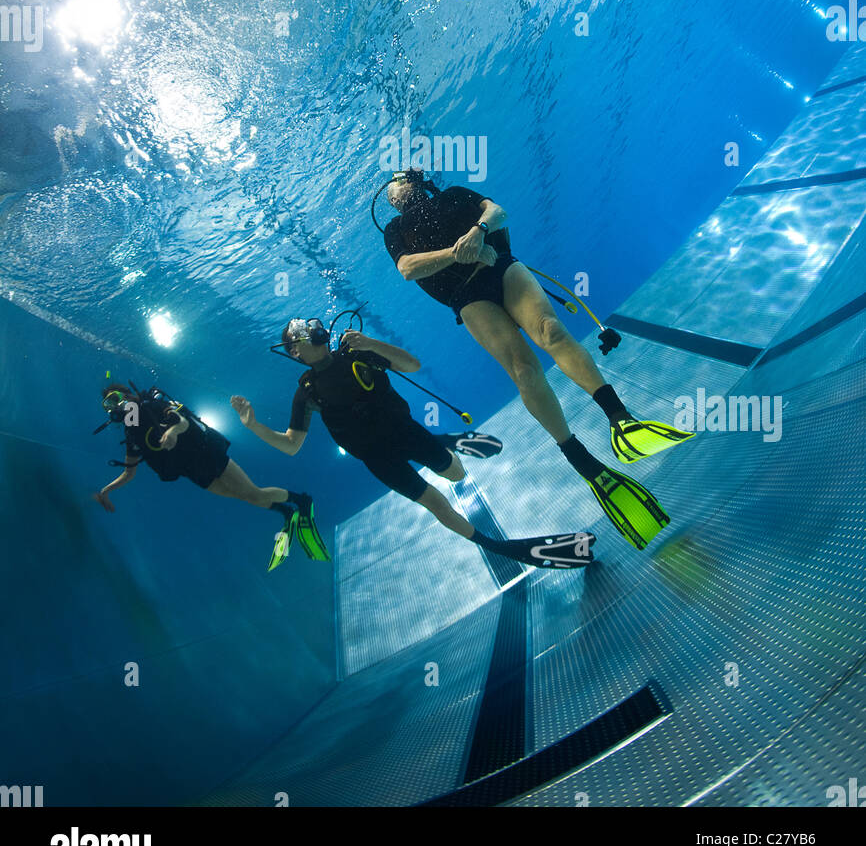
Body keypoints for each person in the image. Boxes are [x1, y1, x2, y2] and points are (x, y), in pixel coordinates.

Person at [376, 170, 686, 551]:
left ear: (418, 181)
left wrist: (477, 231)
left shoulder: (453, 194)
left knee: (550, 331)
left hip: (501, 267)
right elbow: (408, 268)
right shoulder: (394, 229)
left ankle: (619, 416)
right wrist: (457, 251)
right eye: (393, 183)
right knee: (523, 370)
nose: (399, 183)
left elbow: (498, 212)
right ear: (391, 199)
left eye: (402, 177)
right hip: (465, 295)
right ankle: (580, 458)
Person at [230, 319, 595, 570]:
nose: (312, 332)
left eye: (311, 327)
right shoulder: (306, 391)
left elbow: (413, 365)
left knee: (455, 474)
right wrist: (254, 425)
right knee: (437, 503)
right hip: (376, 458)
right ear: (294, 351)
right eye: (302, 335)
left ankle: (445, 441)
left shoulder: (355, 352)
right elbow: (292, 445)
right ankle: (493, 545)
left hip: (406, 431)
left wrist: (371, 342)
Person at [92, 382, 316, 537]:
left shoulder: (153, 406)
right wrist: (106, 491)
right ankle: (286, 512)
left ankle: (301, 500)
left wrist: (172, 432)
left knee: (253, 493)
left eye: (117, 399)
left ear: (128, 395)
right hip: (192, 471)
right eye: (110, 405)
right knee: (244, 496)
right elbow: (129, 471)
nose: (117, 406)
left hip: (207, 453)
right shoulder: (132, 434)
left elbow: (182, 422)